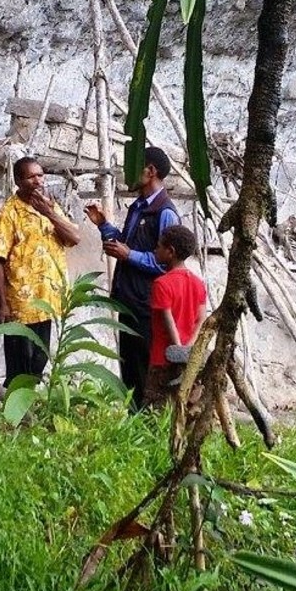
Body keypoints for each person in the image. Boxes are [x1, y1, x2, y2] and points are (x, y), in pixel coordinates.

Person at [86, 145, 181, 409]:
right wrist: (104, 226)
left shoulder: (165, 213)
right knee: (129, 368)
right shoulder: (138, 207)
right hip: (129, 301)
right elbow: (129, 246)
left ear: (150, 171)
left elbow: (168, 263)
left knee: (144, 368)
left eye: (132, 167)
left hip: (147, 305)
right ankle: (134, 420)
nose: (127, 174)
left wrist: (129, 255)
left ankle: (148, 421)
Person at [0, 156, 81, 387]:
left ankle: (29, 402)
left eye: (41, 175)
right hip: (21, 303)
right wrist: (3, 304)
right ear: (18, 181)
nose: (38, 181)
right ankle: (15, 405)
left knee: (40, 358)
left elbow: (74, 238)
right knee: (20, 362)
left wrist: (49, 212)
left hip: (47, 300)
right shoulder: (8, 213)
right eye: (31, 177)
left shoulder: (50, 206)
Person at [145, 225, 207, 409]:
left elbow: (168, 319)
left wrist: (177, 350)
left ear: (170, 251)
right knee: (183, 406)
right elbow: (201, 319)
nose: (155, 250)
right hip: (190, 357)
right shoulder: (198, 283)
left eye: (159, 246)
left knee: (154, 408)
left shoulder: (161, 284)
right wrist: (188, 350)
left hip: (163, 358)